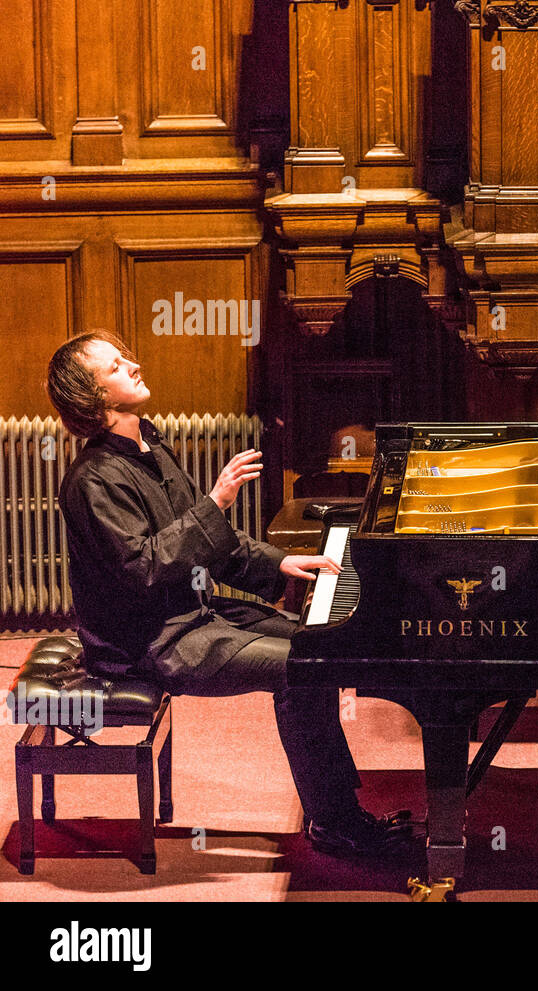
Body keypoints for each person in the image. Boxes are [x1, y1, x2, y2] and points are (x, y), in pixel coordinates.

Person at [45, 331, 411, 857]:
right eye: (116, 366)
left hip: (190, 615)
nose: (134, 364)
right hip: (148, 642)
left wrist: (278, 562)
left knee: (320, 644)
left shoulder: (150, 445)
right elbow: (146, 567)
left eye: (126, 356)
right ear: (93, 396)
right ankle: (336, 821)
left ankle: (332, 814)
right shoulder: (93, 479)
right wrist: (215, 500)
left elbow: (208, 540)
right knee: (306, 667)